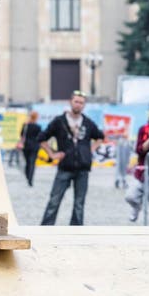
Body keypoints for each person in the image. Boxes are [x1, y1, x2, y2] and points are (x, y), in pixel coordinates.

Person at [38, 91, 104, 225]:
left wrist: (89, 150)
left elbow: (100, 137)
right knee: (54, 201)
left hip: (83, 169)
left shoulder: (87, 122)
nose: (78, 105)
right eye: (76, 101)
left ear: (84, 105)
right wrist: (52, 154)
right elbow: (41, 138)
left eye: (81, 103)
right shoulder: (59, 121)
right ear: (70, 102)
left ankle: (76, 230)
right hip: (65, 167)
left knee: (79, 204)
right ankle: (45, 229)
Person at [19, 110, 42, 186]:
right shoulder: (38, 127)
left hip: (26, 146)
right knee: (32, 163)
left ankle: (27, 176)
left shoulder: (25, 125)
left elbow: (21, 135)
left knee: (27, 162)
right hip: (35, 147)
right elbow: (40, 137)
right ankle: (30, 179)